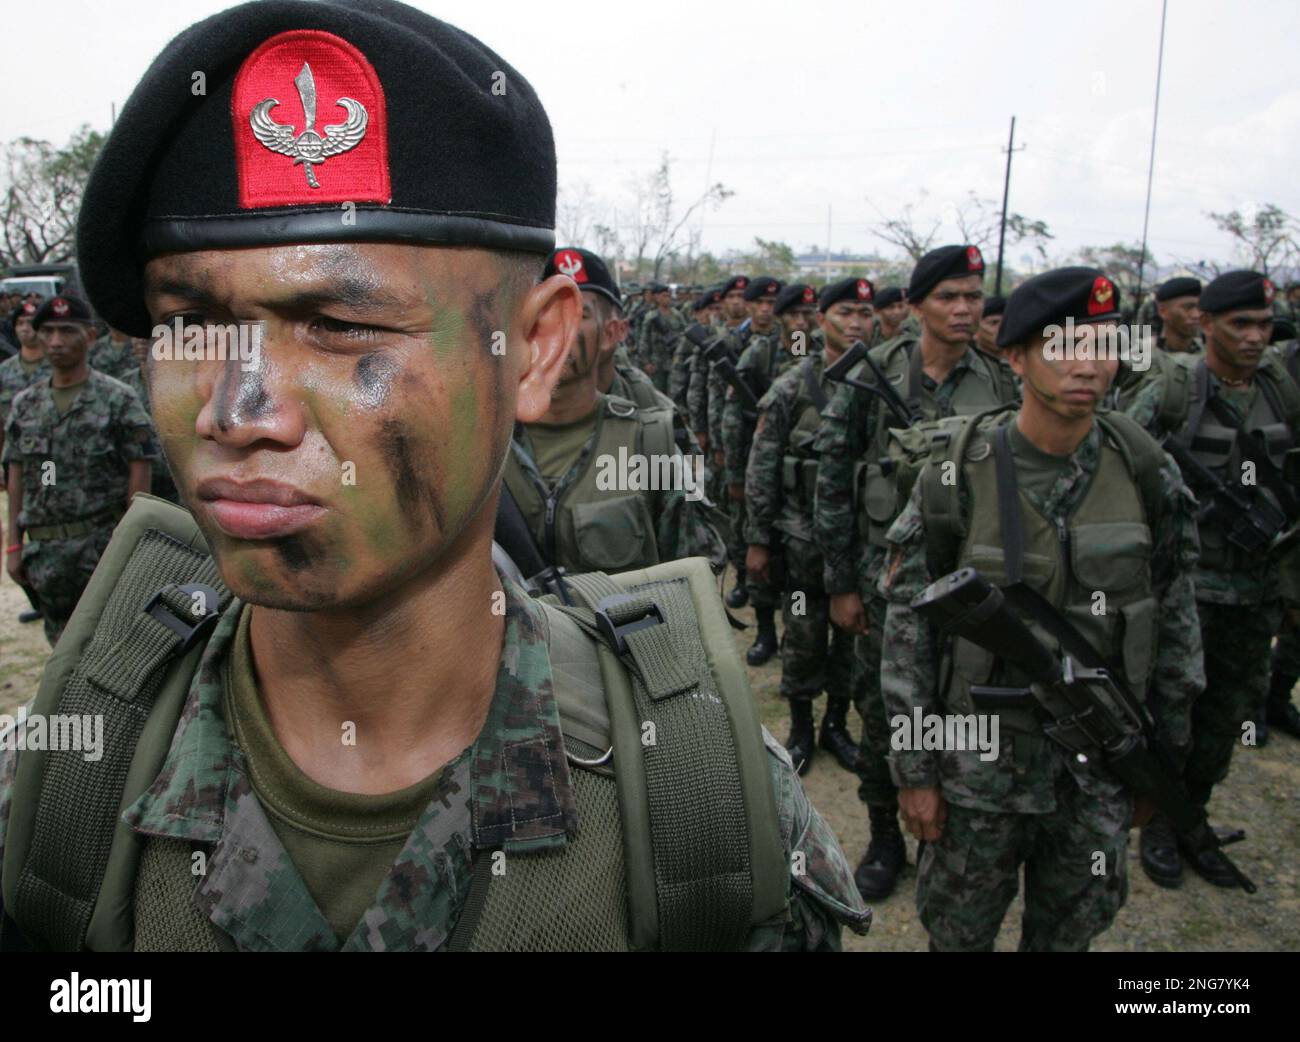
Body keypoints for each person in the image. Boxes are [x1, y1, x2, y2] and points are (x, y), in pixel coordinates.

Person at [0, 0, 867, 953]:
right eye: (191, 324)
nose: (235, 411)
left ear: (535, 348)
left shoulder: (699, 813)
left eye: (340, 327)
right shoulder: (60, 798)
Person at [880, 267, 1201, 950]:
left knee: (1069, 937)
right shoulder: (956, 472)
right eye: (1062, 346)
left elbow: (1174, 623)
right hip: (976, 773)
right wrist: (915, 772)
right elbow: (909, 635)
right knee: (959, 936)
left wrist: (1162, 765)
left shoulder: (1146, 470)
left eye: (1103, 344)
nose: (1088, 365)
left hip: (1099, 770)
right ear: (1016, 356)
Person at [814, 243, 1019, 901]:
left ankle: (957, 824)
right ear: (917, 305)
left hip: (969, 581)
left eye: (973, 296)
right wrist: (840, 582)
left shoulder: (1000, 381)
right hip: (882, 581)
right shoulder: (870, 375)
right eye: (948, 297)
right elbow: (833, 480)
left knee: (963, 701)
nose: (965, 309)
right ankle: (882, 834)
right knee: (881, 712)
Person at [1125, 270, 1300, 888]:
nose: (1255, 338)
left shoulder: (1282, 389)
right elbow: (1122, 464)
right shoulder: (1173, 389)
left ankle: (1195, 816)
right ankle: (1163, 825)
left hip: (1257, 588)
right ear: (1206, 325)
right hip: (1186, 588)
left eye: (1263, 325)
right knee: (1174, 713)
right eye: (1240, 325)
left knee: (1228, 714)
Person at [503, 248, 723, 577]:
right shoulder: (487, 437)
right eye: (542, 313)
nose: (555, 332)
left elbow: (692, 570)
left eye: (578, 315)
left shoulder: (652, 433)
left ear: (611, 334)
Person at [745, 277, 873, 774]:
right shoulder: (793, 385)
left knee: (852, 641)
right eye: (845, 313)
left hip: (861, 542)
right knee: (802, 634)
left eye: (865, 313)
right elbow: (763, 463)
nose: (857, 323)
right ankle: (801, 728)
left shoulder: (880, 385)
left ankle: (835, 724)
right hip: (802, 542)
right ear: (823, 321)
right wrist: (758, 538)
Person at [3, 295, 155, 645]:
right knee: (60, 650)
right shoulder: (26, 405)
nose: (56, 342)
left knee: (111, 645)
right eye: (49, 331)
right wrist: (14, 545)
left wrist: (130, 543)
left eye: (67, 331)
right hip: (46, 552)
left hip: (101, 547)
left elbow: (139, 477)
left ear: (88, 336)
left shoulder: (117, 398)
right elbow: (19, 474)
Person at [725, 283, 816, 665]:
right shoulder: (759, 353)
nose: (801, 322)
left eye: (807, 315)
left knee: (799, 566)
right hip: (758, 464)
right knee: (759, 552)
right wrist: (734, 473)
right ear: (780, 317)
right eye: (793, 315)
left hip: (802, 474)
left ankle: (792, 630)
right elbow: (733, 416)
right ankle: (765, 631)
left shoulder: (820, 356)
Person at [634, 282, 684, 393]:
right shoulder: (651, 317)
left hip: (674, 361)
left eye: (668, 295)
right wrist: (646, 362)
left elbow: (684, 335)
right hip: (656, 362)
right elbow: (644, 340)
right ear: (656, 297)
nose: (667, 298)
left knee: (674, 392)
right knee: (657, 393)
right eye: (664, 296)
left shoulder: (677, 315)